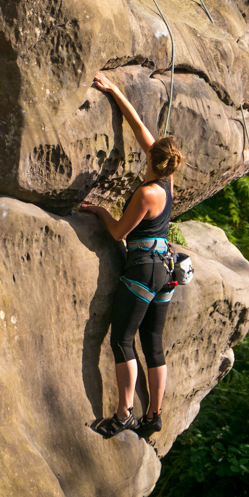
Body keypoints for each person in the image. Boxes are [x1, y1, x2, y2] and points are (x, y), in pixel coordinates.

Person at [79, 71, 183, 439]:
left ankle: (124, 413)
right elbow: (140, 127)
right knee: (152, 343)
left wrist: (99, 211)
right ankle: (154, 414)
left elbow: (119, 232)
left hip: (142, 269)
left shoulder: (147, 193)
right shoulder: (168, 180)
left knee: (122, 340)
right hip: (166, 270)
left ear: (152, 159)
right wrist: (116, 91)